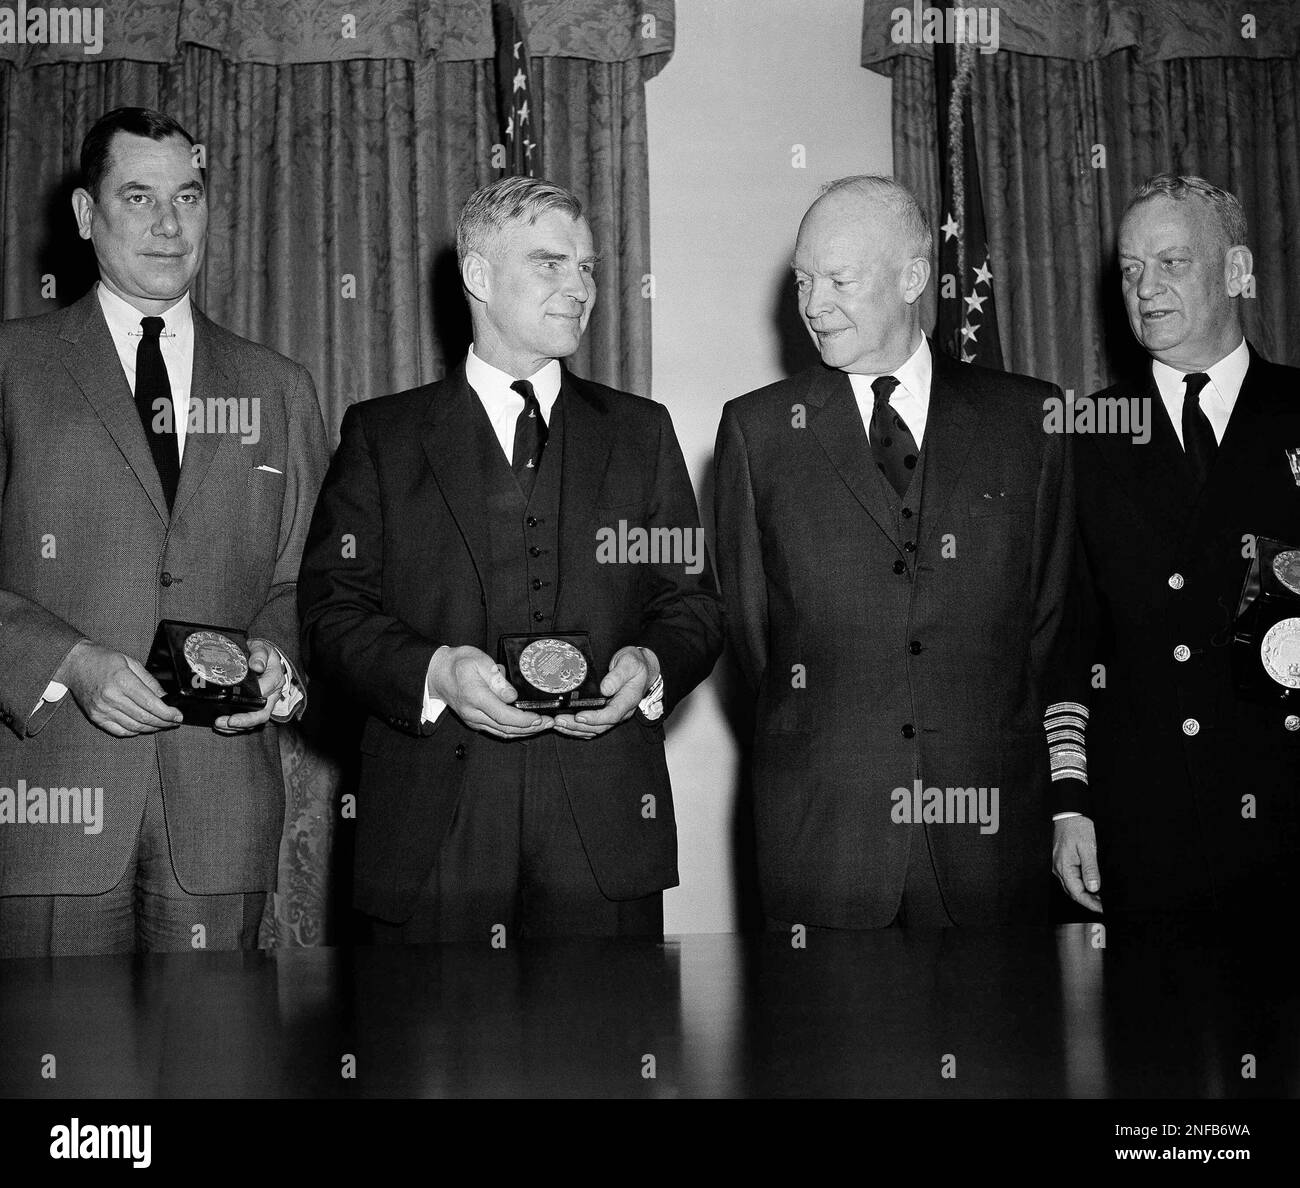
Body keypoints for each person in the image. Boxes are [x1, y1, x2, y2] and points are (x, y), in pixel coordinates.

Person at [298, 175, 722, 943]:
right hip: (432, 831)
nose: (581, 288)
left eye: (588, 267)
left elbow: (691, 603)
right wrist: (436, 674)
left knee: (603, 1059)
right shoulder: (383, 437)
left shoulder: (641, 433)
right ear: (479, 277)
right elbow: (333, 613)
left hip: (603, 834)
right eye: (551, 264)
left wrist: (652, 666)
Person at [0, 107, 328, 957]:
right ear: (84, 215)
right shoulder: (11, 366)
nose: (168, 223)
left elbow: (308, 580)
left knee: (219, 1076)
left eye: (187, 196)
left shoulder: (278, 386)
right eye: (138, 197)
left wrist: (276, 657)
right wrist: (69, 663)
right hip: (50, 804)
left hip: (219, 814)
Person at [715, 175, 1072, 929]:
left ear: (913, 278)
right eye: (804, 281)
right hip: (826, 842)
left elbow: (1045, 623)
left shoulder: (1027, 423)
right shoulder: (759, 434)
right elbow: (755, 642)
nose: (812, 305)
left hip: (989, 838)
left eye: (838, 280)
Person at [1048, 174, 1300, 925]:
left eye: (1172, 263)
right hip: (1148, 824)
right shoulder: (1084, 432)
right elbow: (1066, 637)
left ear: (1238, 272)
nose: (1145, 288)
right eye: (1130, 269)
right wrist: (1070, 802)